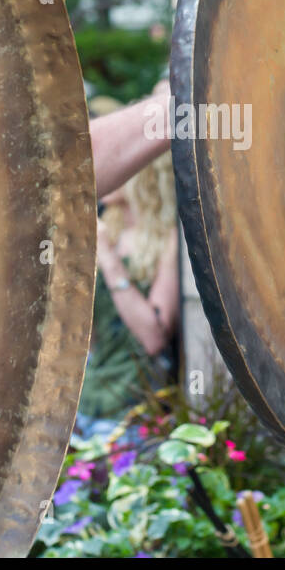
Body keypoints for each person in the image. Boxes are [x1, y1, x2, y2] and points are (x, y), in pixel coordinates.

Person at [78, 90, 181, 429]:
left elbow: (154, 337)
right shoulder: (111, 231)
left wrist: (107, 260)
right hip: (86, 406)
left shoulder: (168, 240)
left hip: (132, 415)